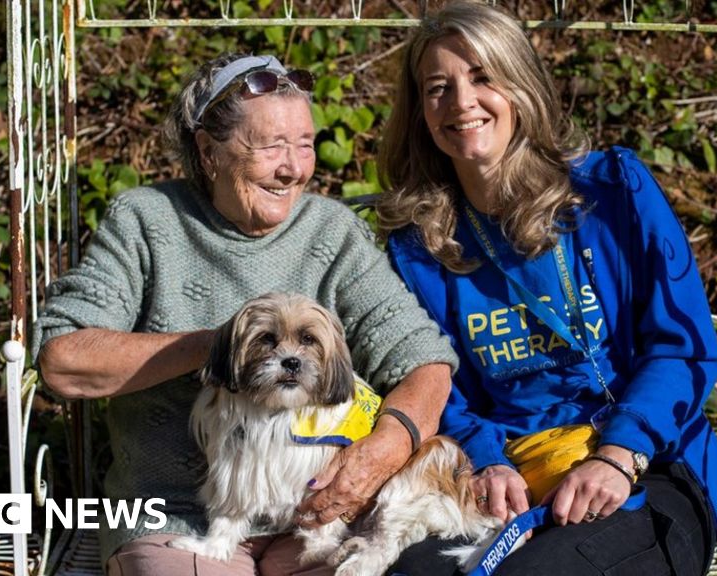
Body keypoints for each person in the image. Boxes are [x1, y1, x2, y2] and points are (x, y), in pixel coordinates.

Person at [34, 53, 459, 576]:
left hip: (317, 514)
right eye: (271, 145)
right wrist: (220, 347)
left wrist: (380, 454)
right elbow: (63, 359)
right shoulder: (145, 220)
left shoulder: (332, 230)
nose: (293, 167)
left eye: (304, 145)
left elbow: (425, 362)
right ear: (209, 152)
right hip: (178, 518)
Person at [376, 2, 717, 575]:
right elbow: (437, 385)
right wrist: (483, 464)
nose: (461, 103)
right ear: (421, 111)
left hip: (641, 466)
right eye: (438, 88)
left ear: (521, 85)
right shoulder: (420, 246)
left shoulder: (612, 192)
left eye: (483, 77)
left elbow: (681, 347)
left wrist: (617, 454)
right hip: (509, 477)